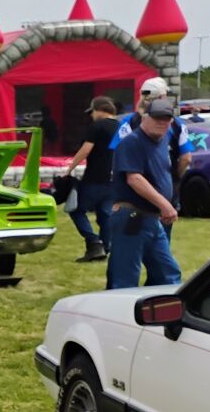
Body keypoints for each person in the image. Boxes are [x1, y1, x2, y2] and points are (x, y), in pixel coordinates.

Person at [106, 96, 182, 290]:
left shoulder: (162, 141)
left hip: (152, 219)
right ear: (144, 118)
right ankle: (119, 316)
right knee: (125, 279)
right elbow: (135, 179)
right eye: (157, 118)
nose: (162, 123)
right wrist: (165, 205)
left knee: (168, 274)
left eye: (167, 119)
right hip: (132, 217)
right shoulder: (132, 142)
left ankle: (161, 314)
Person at [61, 96, 119, 262]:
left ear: (99, 110)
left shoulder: (97, 127)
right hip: (114, 179)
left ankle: (94, 243)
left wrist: (70, 169)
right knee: (105, 214)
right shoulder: (123, 127)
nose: (92, 116)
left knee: (76, 210)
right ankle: (106, 248)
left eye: (92, 112)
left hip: (95, 177)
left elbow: (86, 150)